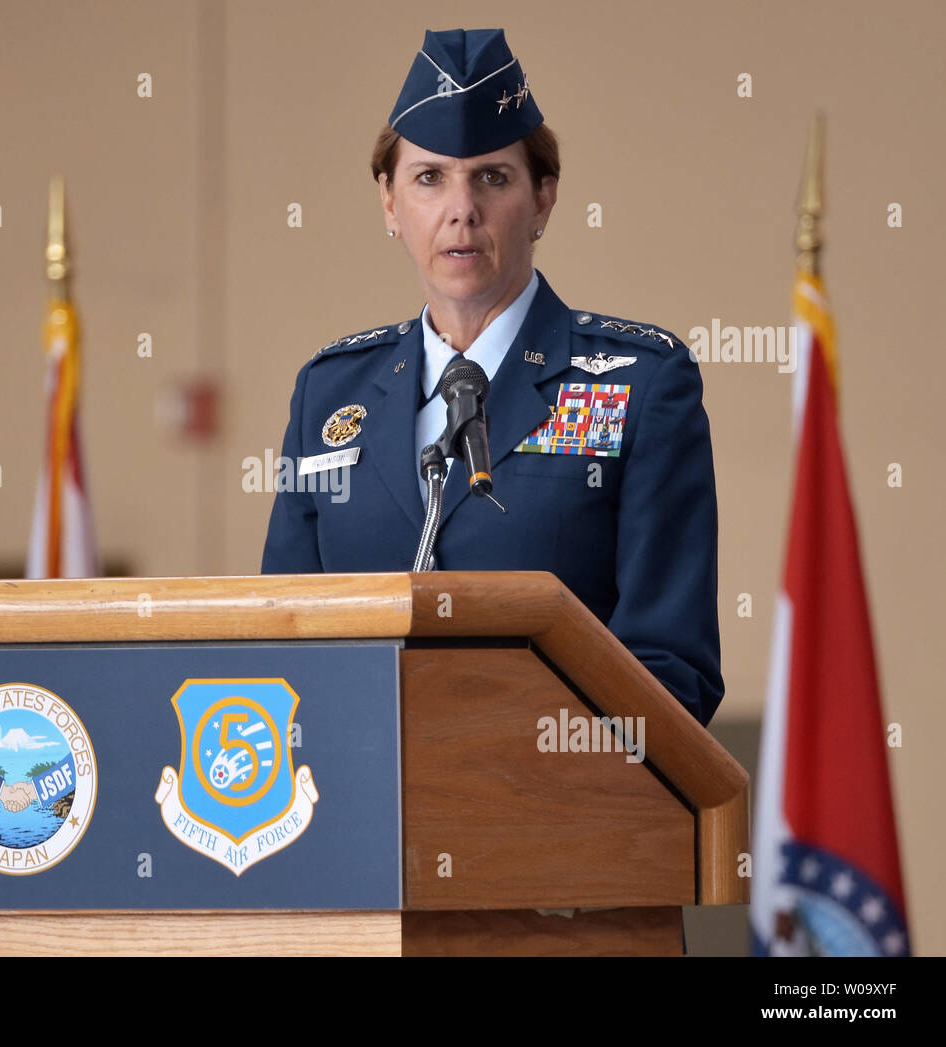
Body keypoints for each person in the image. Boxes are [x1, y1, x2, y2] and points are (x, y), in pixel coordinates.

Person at [261, 28, 723, 727]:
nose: (461, 209)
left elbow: (671, 669)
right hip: (355, 807)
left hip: (555, 812)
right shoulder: (331, 393)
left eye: (493, 177)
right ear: (389, 203)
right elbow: (278, 638)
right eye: (429, 177)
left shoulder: (642, 386)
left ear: (543, 200)